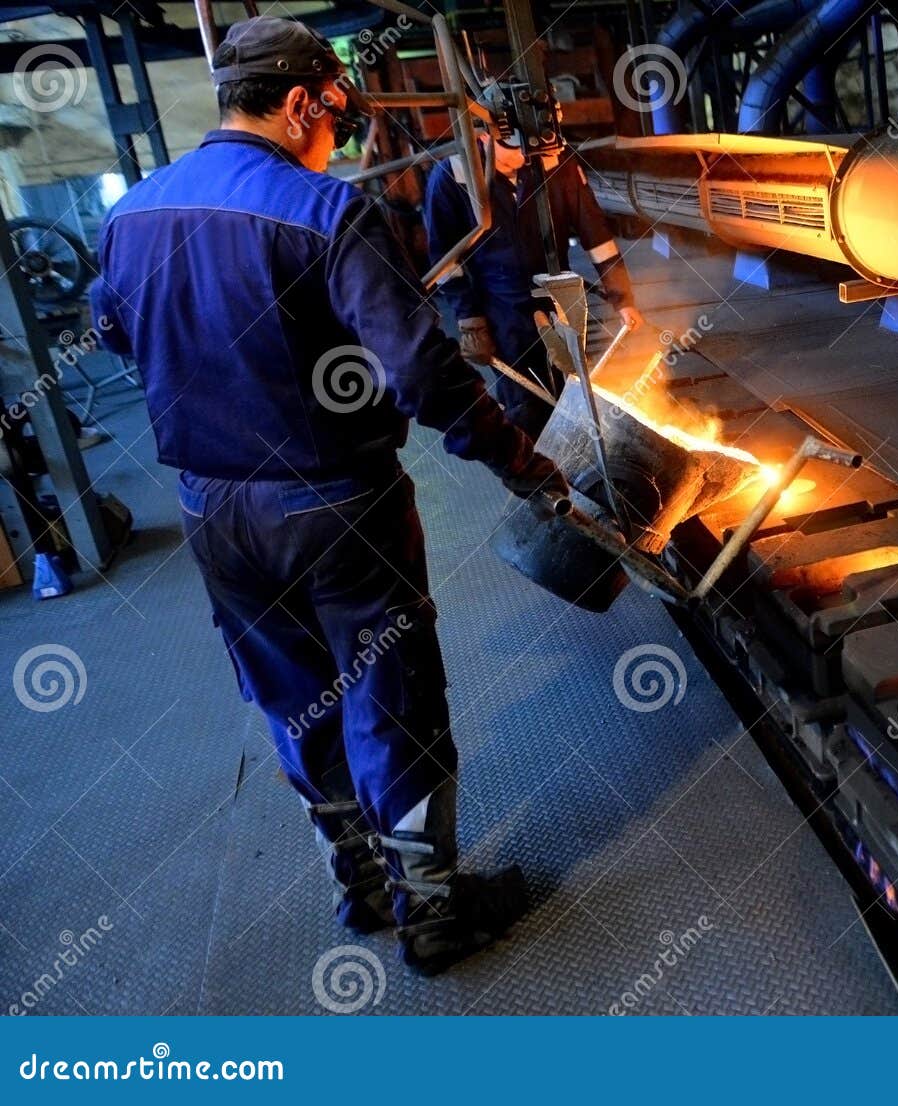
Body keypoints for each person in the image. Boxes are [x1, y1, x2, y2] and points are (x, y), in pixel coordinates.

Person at [89, 16, 568, 976]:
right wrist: (519, 458)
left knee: (293, 701)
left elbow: (114, 333)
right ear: (303, 101)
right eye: (334, 118)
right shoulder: (326, 211)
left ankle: (359, 888)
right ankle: (432, 912)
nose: (336, 139)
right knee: (390, 696)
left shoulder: (131, 211)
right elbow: (422, 371)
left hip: (213, 513)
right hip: (338, 507)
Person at [423, 99, 643, 439]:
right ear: (482, 137)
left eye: (532, 147)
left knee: (575, 392)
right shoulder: (453, 178)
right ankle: (542, 476)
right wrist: (470, 320)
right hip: (502, 309)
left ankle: (583, 467)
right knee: (525, 406)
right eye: (512, 149)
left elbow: (596, 234)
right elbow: (446, 259)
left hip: (559, 300)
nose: (525, 158)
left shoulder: (557, 164)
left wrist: (623, 298)